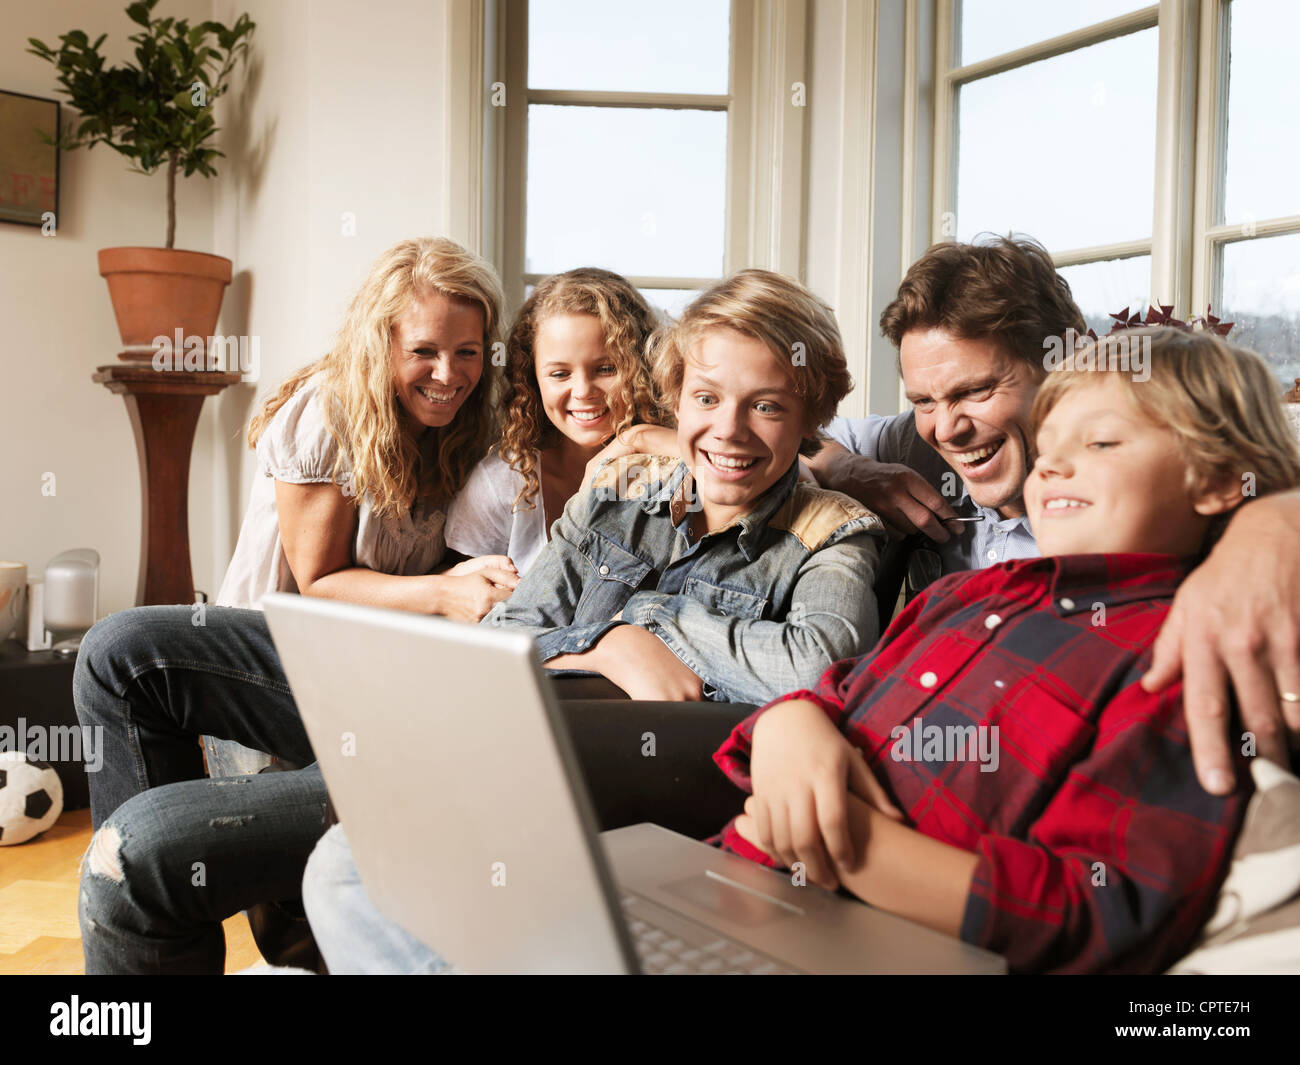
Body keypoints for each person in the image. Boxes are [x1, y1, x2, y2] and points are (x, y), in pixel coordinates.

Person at [300, 267, 891, 971]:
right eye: (706, 397)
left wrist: (651, 620)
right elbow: (502, 634)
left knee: (372, 839)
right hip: (532, 762)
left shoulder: (837, 530)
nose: (727, 431)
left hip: (683, 786)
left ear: (810, 415)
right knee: (344, 863)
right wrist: (606, 645)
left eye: (765, 406)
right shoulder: (616, 485)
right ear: (675, 397)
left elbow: (819, 668)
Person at [717, 326, 1300, 973]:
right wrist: (788, 722)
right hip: (728, 882)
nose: (1049, 465)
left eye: (1100, 442)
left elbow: (1094, 912)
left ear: (1220, 480)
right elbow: (836, 693)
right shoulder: (957, 596)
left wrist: (848, 844)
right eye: (1046, 445)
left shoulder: (1182, 655)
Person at [74, 237, 515, 973]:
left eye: (468, 352)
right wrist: (444, 593)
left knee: (281, 922)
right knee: (116, 648)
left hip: (382, 662)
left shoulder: (476, 424)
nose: (449, 374)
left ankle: (157, 912)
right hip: (284, 643)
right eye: (426, 351)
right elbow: (322, 581)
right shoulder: (333, 410)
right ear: (382, 341)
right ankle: (153, 933)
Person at [807, 233, 1300, 794]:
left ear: (1060, 366)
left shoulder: (1137, 517)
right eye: (923, 401)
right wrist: (847, 470)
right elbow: (765, 441)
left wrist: (1275, 523)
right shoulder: (914, 451)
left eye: (977, 390)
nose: (946, 428)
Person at [444, 267, 659, 575]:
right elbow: (456, 597)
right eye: (560, 374)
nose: (584, 391)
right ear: (532, 380)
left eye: (606, 369)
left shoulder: (674, 469)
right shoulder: (502, 482)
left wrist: (643, 439)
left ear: (642, 367)